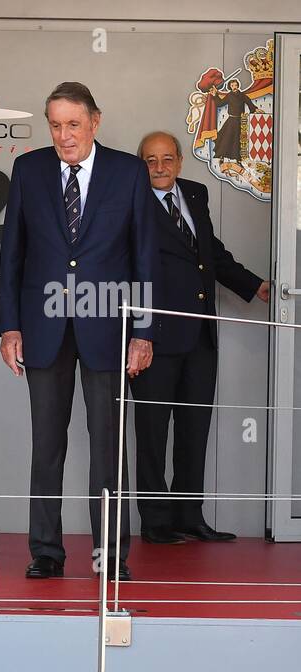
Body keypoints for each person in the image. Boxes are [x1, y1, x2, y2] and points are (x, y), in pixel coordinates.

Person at [0, 82, 157, 582]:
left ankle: (111, 552)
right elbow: (12, 257)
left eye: (72, 124)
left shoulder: (128, 172)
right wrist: (9, 327)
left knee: (109, 446)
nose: (63, 135)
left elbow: (144, 257)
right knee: (47, 444)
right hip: (42, 328)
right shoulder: (28, 170)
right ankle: (46, 550)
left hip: (110, 327)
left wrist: (144, 330)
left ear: (95, 122)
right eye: (55, 124)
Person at [133, 131, 268, 544]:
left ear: (179, 162)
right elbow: (125, 266)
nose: (160, 167)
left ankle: (189, 515)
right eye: (151, 160)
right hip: (153, 335)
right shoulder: (131, 200)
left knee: (195, 428)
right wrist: (138, 331)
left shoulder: (195, 194)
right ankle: (156, 522)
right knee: (152, 433)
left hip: (201, 335)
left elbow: (210, 252)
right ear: (142, 164)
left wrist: (254, 285)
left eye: (167, 158)